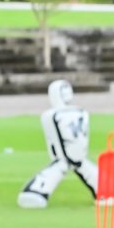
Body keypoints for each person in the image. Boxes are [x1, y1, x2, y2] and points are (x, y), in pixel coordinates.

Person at [17, 79, 98, 208]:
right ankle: (106, 191)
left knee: (62, 165)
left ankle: (36, 192)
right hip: (77, 151)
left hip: (67, 153)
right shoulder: (81, 112)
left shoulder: (52, 115)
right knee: (81, 166)